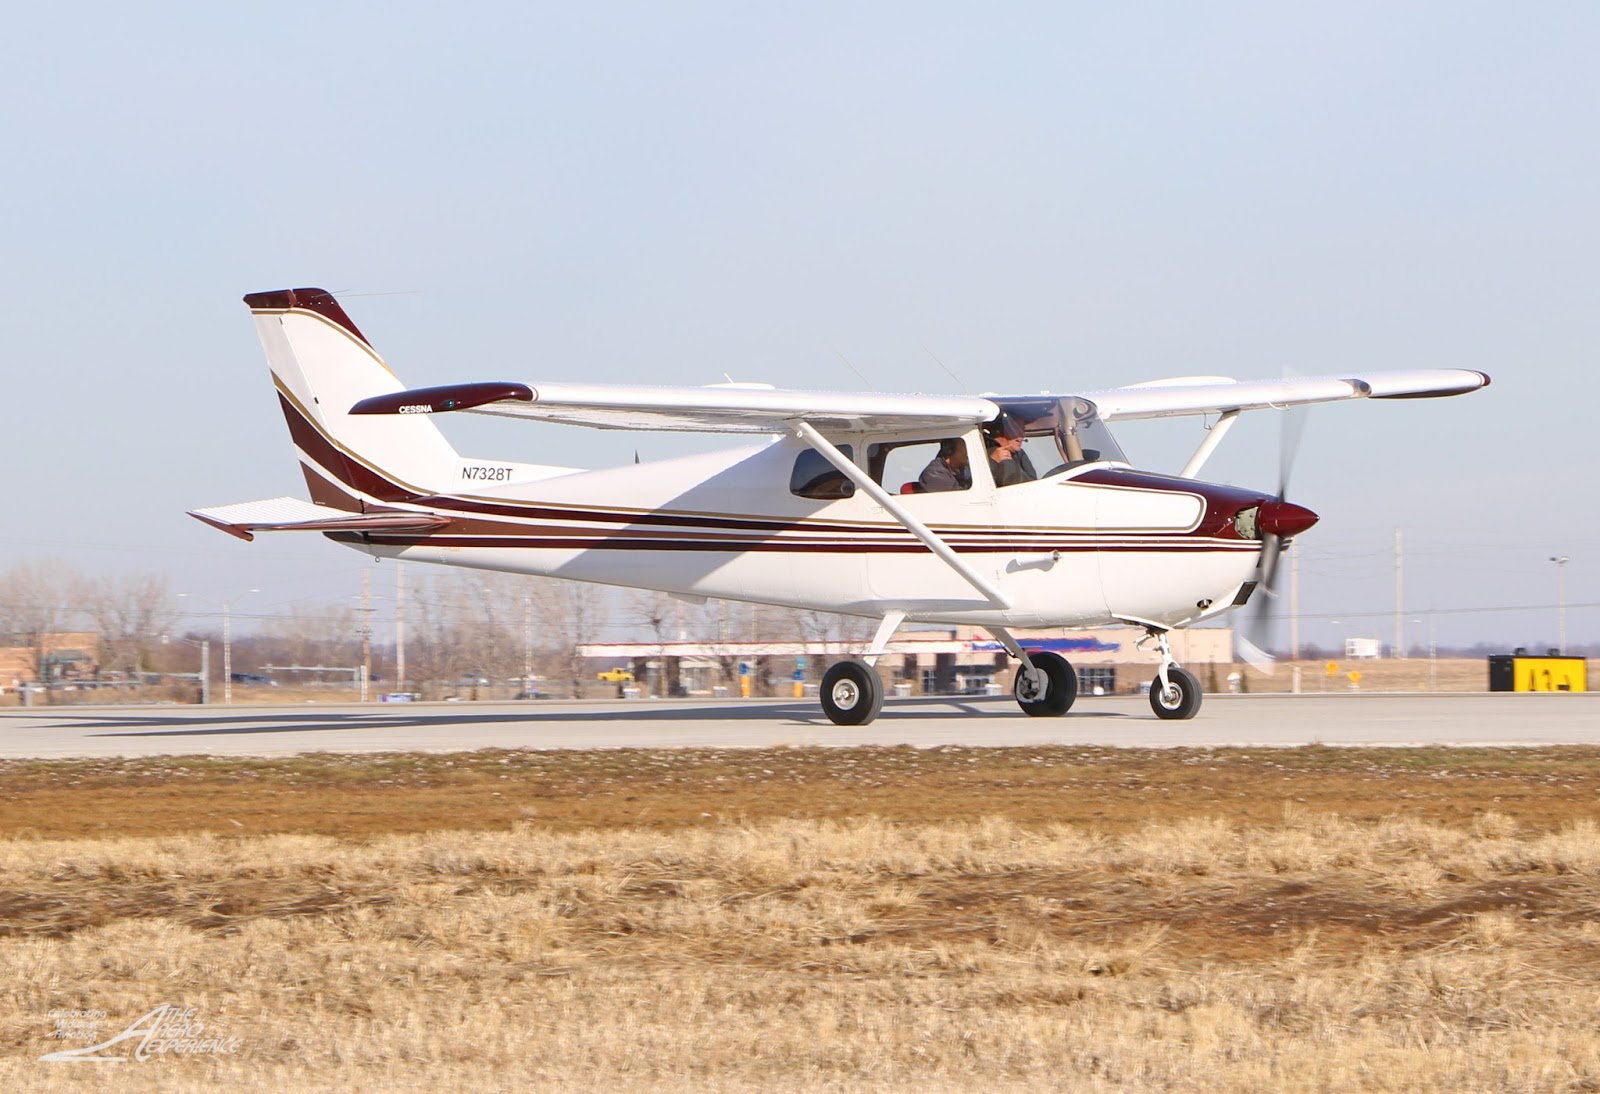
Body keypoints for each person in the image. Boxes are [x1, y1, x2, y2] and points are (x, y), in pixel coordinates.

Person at [984, 417, 1037, 487]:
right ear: (999, 431)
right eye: (1015, 430)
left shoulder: (1020, 454)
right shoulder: (989, 453)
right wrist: (992, 461)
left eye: (1022, 430)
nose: (1021, 437)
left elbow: (1033, 483)